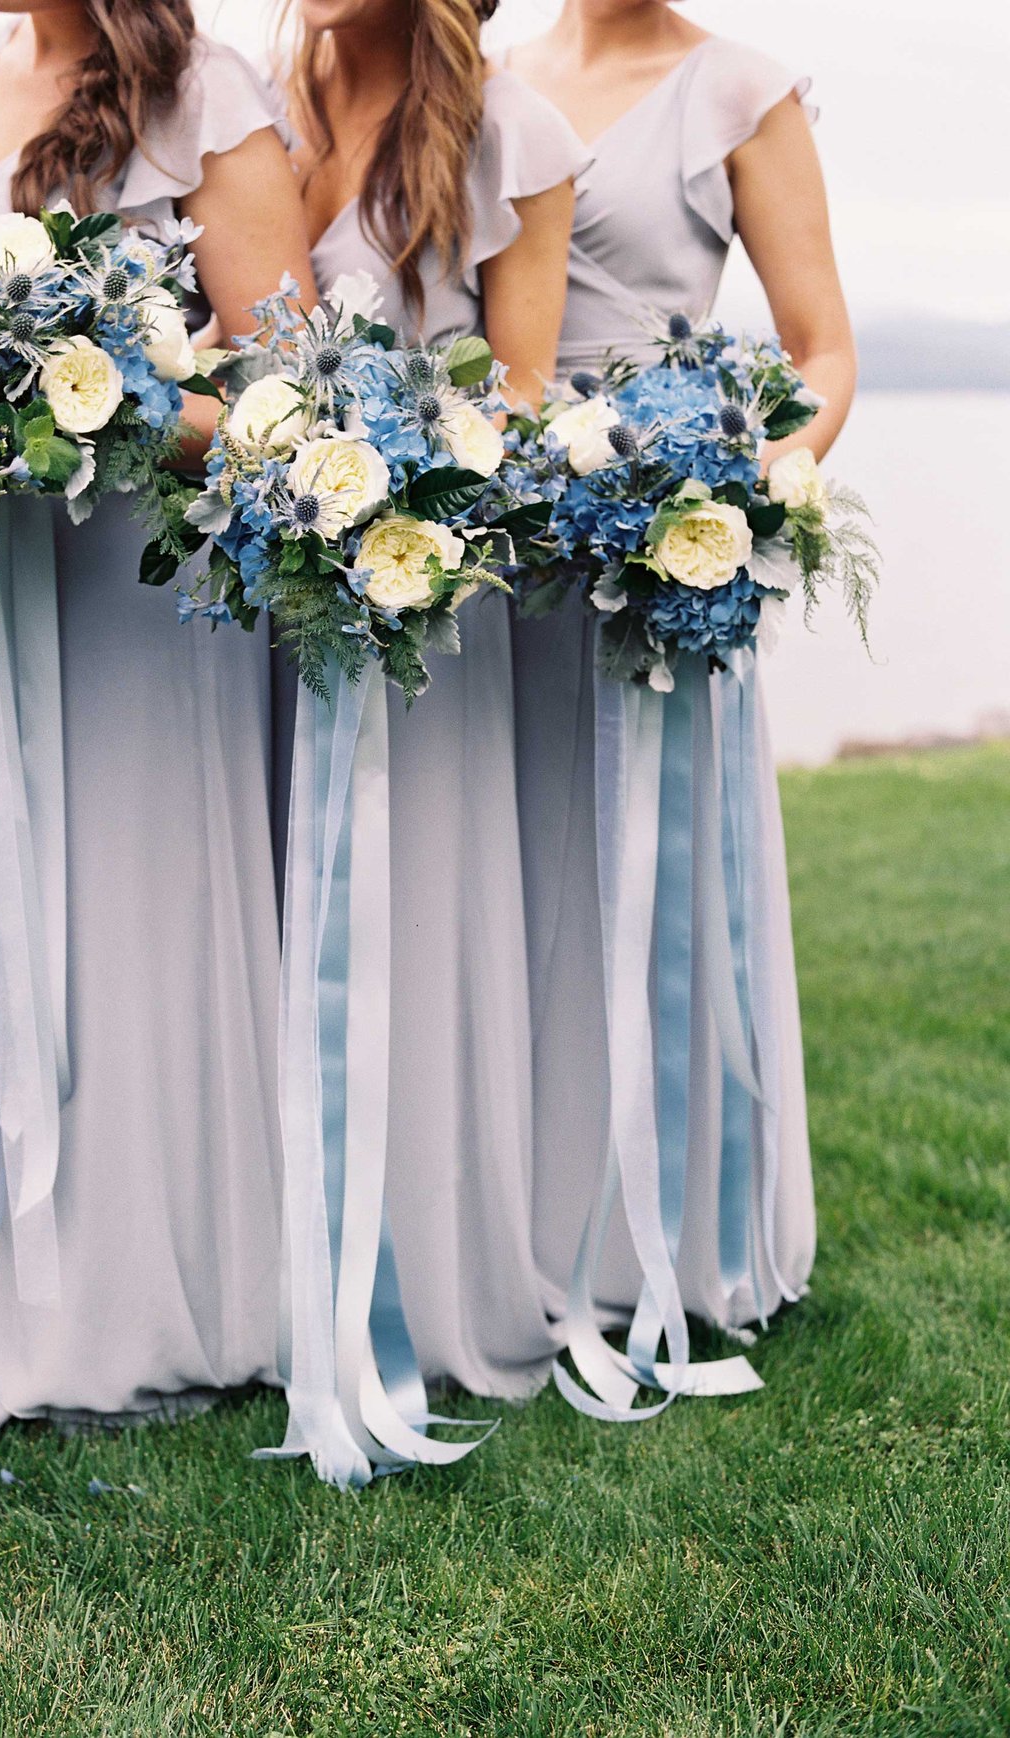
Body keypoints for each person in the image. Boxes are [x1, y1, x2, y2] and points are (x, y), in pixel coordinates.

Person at [0, 0, 321, 1430]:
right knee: (6, 898)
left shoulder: (209, 94)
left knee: (137, 914)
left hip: (146, 578)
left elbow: (283, 389)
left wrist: (98, 389)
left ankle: (175, 1305)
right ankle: (18, 1293)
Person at [505, 0, 854, 1338]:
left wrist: (735, 498)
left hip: (665, 545)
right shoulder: (495, 78)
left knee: (668, 880)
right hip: (509, 547)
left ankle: (684, 1231)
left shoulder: (739, 92)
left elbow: (822, 353)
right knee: (527, 873)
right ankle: (525, 1224)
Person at [276, 0, 587, 1399]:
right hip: (268, 597)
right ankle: (282, 1263)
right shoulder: (264, 110)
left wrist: (405, 517)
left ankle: (431, 1277)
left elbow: (518, 406)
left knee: (417, 928)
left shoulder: (513, 132)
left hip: (429, 620)